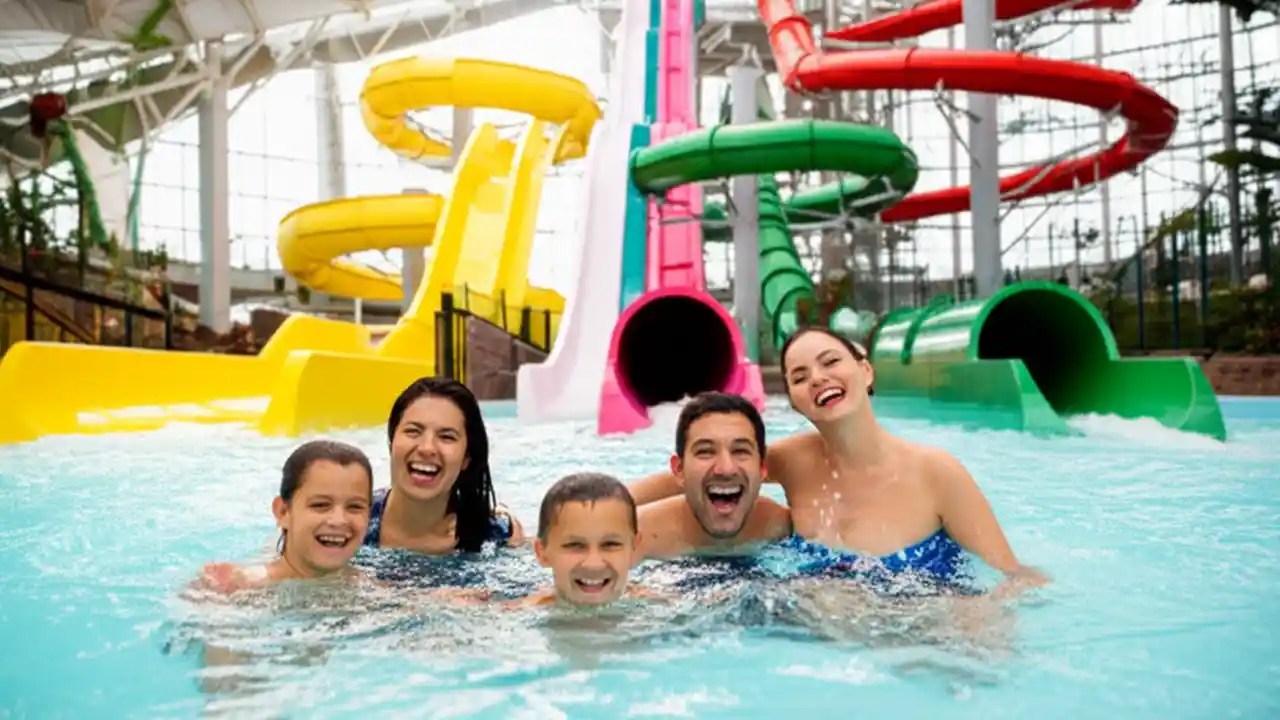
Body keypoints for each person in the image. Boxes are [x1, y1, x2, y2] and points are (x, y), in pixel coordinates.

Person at [629, 327, 1046, 596]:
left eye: (830, 362)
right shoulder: (795, 461)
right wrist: (600, 508)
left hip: (924, 626)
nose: (818, 378)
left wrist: (981, 628)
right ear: (793, 401)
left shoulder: (936, 474)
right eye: (799, 376)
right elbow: (708, 473)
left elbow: (1013, 576)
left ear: (865, 372)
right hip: (822, 631)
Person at [364, 377, 525, 555]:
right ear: (391, 442)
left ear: (466, 458)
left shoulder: (495, 536)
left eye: (447, 437)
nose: (427, 448)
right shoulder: (353, 524)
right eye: (413, 431)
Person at [196, 439, 373, 594]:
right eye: (320, 505)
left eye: (355, 507)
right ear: (283, 512)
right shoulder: (235, 590)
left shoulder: (376, 592)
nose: (338, 520)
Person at [637, 392, 791, 558]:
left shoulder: (782, 529)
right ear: (679, 469)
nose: (725, 469)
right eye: (706, 452)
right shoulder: (639, 538)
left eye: (740, 451)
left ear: (762, 467)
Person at [515, 472, 655, 607]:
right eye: (575, 545)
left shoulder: (659, 607)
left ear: (634, 548)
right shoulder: (513, 617)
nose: (593, 564)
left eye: (610, 544)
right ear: (542, 553)